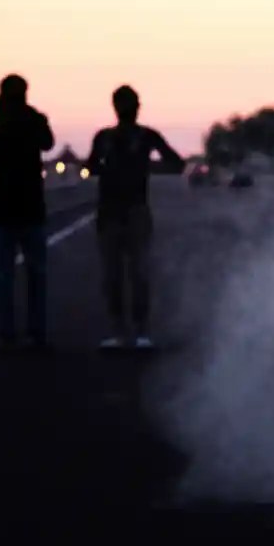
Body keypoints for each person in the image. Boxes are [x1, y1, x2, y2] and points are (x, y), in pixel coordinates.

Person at [85, 85, 185, 349]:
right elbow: (91, 166)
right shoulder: (124, 137)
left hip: (127, 212)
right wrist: (140, 165)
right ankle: (131, 332)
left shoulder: (124, 137)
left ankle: (130, 331)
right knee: (121, 275)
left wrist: (141, 166)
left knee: (128, 274)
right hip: (118, 212)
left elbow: (177, 164)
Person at [0, 74, 55, 351]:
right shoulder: (34, 120)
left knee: (4, 276)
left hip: (2, 209)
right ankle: (35, 333)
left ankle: (7, 335)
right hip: (29, 208)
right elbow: (47, 143)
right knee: (36, 275)